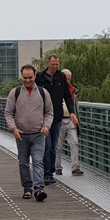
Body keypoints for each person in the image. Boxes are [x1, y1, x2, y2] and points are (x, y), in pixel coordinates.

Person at [4, 64, 52, 201]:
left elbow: (49, 112)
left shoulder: (43, 93)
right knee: (23, 163)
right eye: (24, 77)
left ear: (35, 76)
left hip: (38, 134)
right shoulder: (15, 92)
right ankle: (27, 188)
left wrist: (46, 126)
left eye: (30, 77)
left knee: (38, 161)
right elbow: (8, 113)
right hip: (21, 134)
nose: (27, 80)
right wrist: (13, 128)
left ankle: (38, 189)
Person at [35, 54, 73, 184]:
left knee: (54, 147)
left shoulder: (61, 77)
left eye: (57, 64)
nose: (55, 67)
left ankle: (50, 171)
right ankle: (45, 173)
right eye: (53, 64)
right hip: (43, 117)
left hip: (57, 116)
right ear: (48, 63)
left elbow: (67, 96)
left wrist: (72, 111)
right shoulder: (39, 77)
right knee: (47, 145)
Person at [58, 68, 82, 176]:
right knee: (57, 146)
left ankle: (75, 167)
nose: (67, 80)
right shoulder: (56, 89)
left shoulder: (73, 91)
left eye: (69, 78)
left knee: (74, 142)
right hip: (59, 120)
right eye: (66, 78)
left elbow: (75, 105)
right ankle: (57, 167)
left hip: (71, 119)